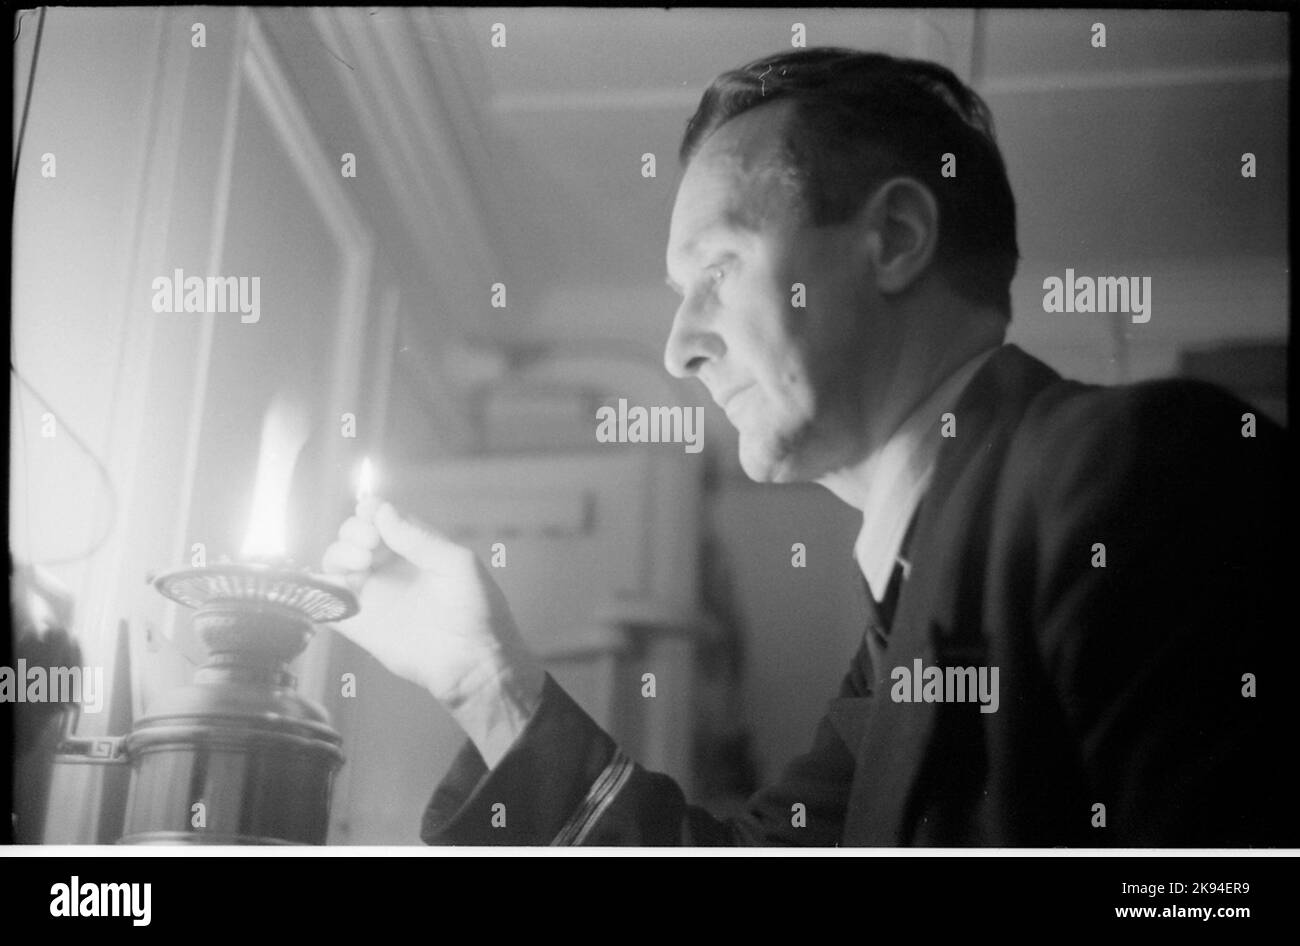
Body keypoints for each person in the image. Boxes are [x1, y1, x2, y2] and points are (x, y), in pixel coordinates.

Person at [322, 48, 1287, 846]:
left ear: (897, 236)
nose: (679, 347)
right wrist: (485, 682)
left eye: (718, 267)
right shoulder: (895, 642)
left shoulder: (1136, 469)